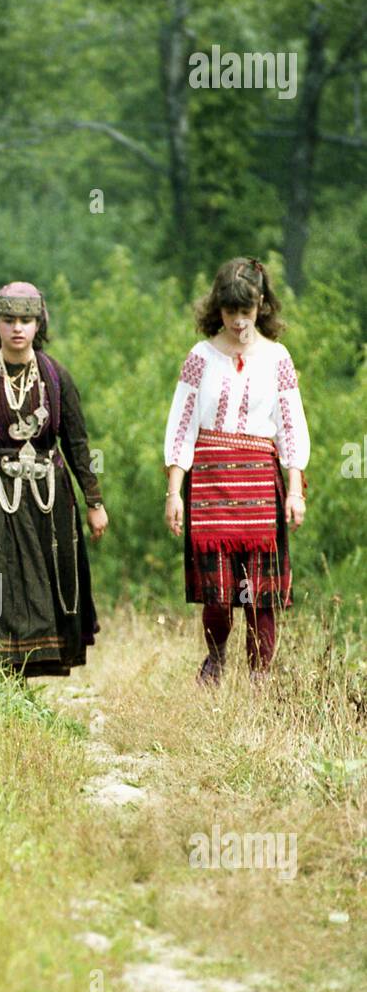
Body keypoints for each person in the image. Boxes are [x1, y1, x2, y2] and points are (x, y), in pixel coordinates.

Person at [0, 281, 108, 678]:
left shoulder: (56, 377)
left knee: (41, 583)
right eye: (9, 319)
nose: (18, 328)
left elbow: (78, 443)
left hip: (47, 497)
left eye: (27, 320)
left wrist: (95, 502)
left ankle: (28, 673)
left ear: (38, 325)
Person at [163, 256, 309, 684]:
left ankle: (260, 678)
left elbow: (291, 428)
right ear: (218, 309)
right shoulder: (200, 357)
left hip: (262, 486)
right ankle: (215, 659)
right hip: (209, 484)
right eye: (230, 312)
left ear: (261, 304)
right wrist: (174, 492)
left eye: (246, 311)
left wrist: (295, 490)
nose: (239, 322)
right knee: (219, 593)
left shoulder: (278, 358)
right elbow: (182, 424)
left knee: (261, 596)